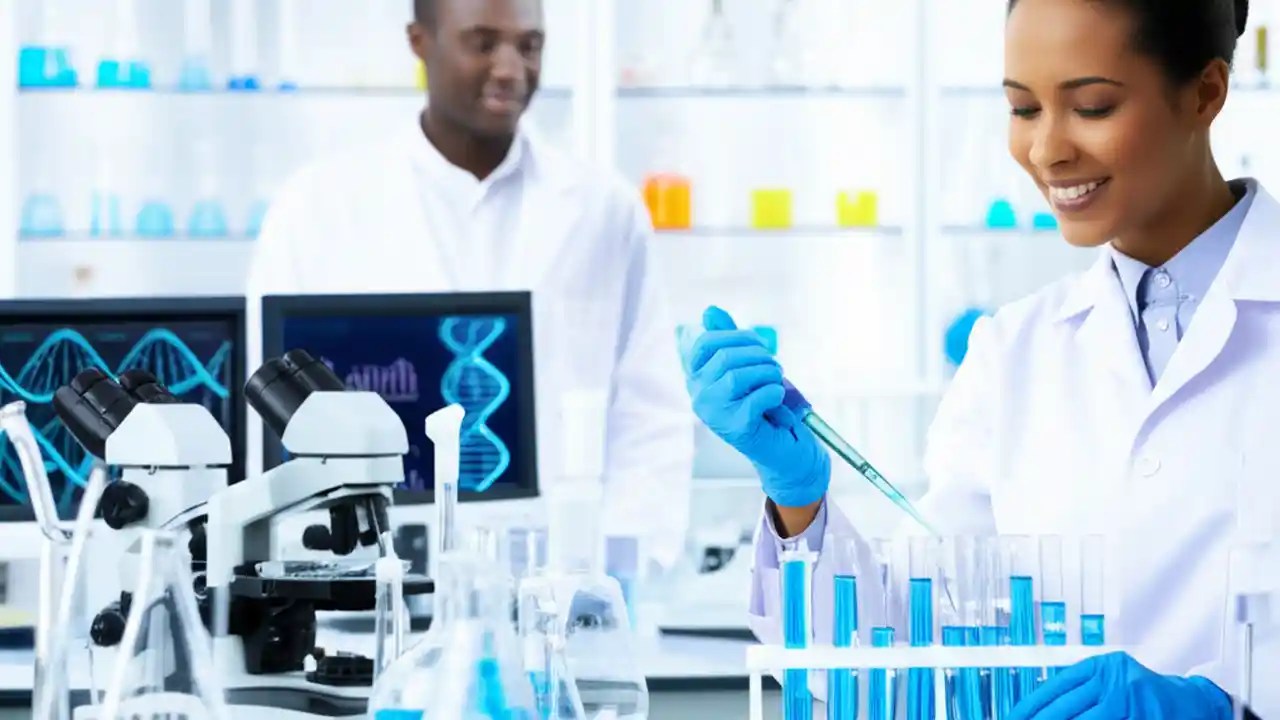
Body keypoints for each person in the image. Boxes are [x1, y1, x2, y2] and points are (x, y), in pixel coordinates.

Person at [683, 0, 1278, 716]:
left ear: (1206, 92)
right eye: (1023, 109)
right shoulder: (1013, 352)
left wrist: (1229, 707)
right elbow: (896, 655)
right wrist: (798, 498)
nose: (1048, 149)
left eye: (1091, 106)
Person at [245, 0, 693, 570]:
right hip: (366, 578)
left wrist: (627, 568)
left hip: (559, 575)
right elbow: (269, 406)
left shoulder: (603, 210)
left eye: (529, 46)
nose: (510, 68)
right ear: (419, 42)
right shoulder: (319, 205)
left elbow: (649, 402)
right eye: (483, 43)